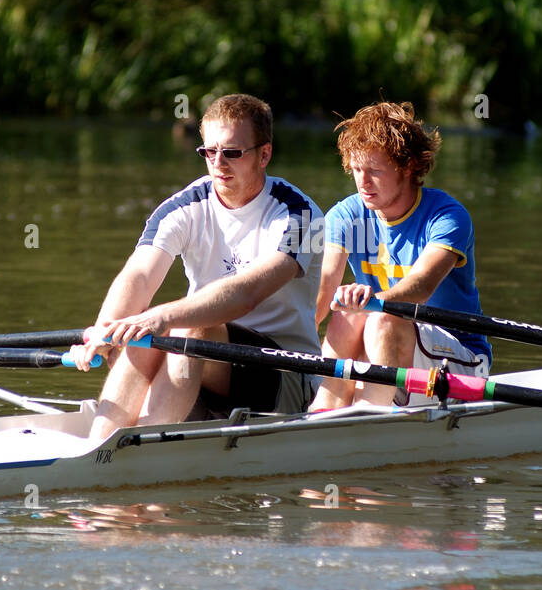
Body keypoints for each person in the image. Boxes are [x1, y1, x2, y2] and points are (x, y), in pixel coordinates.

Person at [72, 94, 323, 438]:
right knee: (140, 330)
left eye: (233, 153)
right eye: (209, 151)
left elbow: (247, 293)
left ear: (264, 154)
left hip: (283, 374)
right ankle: (100, 443)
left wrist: (162, 317)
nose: (219, 163)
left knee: (183, 327)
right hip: (201, 366)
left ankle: (147, 451)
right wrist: (104, 330)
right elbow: (140, 275)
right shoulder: (185, 206)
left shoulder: (300, 216)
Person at [310, 101, 490, 409]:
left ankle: (371, 418)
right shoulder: (345, 215)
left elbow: (420, 285)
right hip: (386, 344)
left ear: (408, 167)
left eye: (374, 171)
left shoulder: (447, 216)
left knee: (382, 317)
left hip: (461, 363)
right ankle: (324, 410)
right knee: (344, 316)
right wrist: (288, 337)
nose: (362, 183)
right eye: (356, 170)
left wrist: (374, 303)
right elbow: (325, 283)